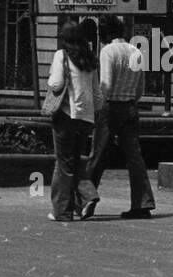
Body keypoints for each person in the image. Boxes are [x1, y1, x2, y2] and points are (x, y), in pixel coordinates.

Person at [82, 16, 156, 220]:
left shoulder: (107, 52)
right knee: (135, 157)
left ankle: (86, 198)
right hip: (131, 107)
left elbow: (105, 84)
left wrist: (97, 108)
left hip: (110, 107)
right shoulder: (136, 51)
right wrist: (131, 100)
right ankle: (143, 204)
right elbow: (141, 87)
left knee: (97, 154)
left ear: (105, 33)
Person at [44, 18, 103, 222]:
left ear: (65, 40)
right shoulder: (90, 59)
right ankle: (87, 197)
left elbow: (57, 83)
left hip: (67, 116)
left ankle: (63, 211)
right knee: (74, 161)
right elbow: (97, 94)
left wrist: (50, 77)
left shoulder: (62, 55)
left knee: (64, 164)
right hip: (86, 118)